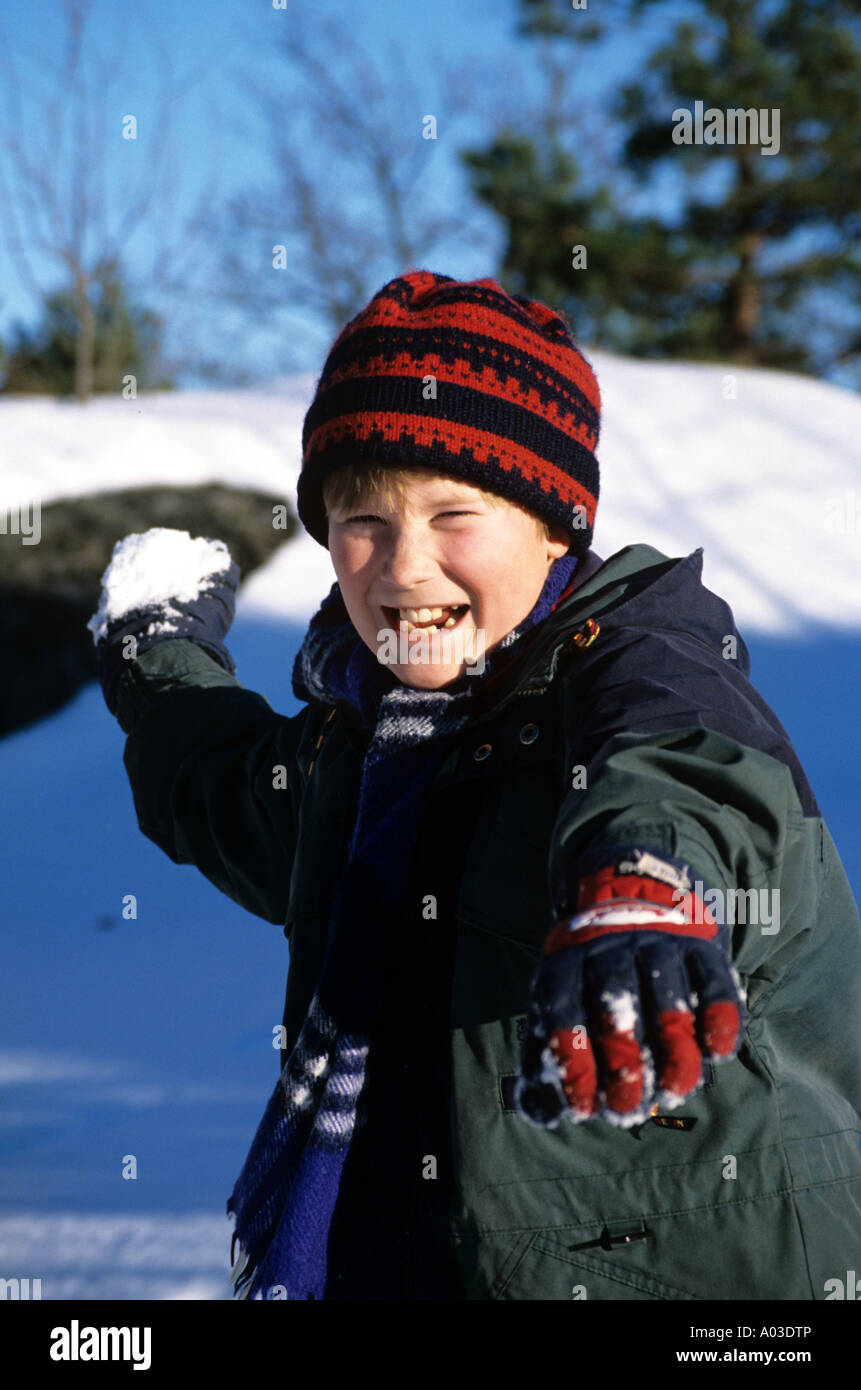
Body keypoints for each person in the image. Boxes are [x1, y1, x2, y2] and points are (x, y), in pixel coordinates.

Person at [88, 270, 861, 1301]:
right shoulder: (366, 756)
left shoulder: (642, 664)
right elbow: (225, 789)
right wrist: (157, 655)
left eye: (454, 513)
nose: (404, 568)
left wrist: (641, 879)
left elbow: (686, 772)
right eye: (361, 519)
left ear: (554, 528)